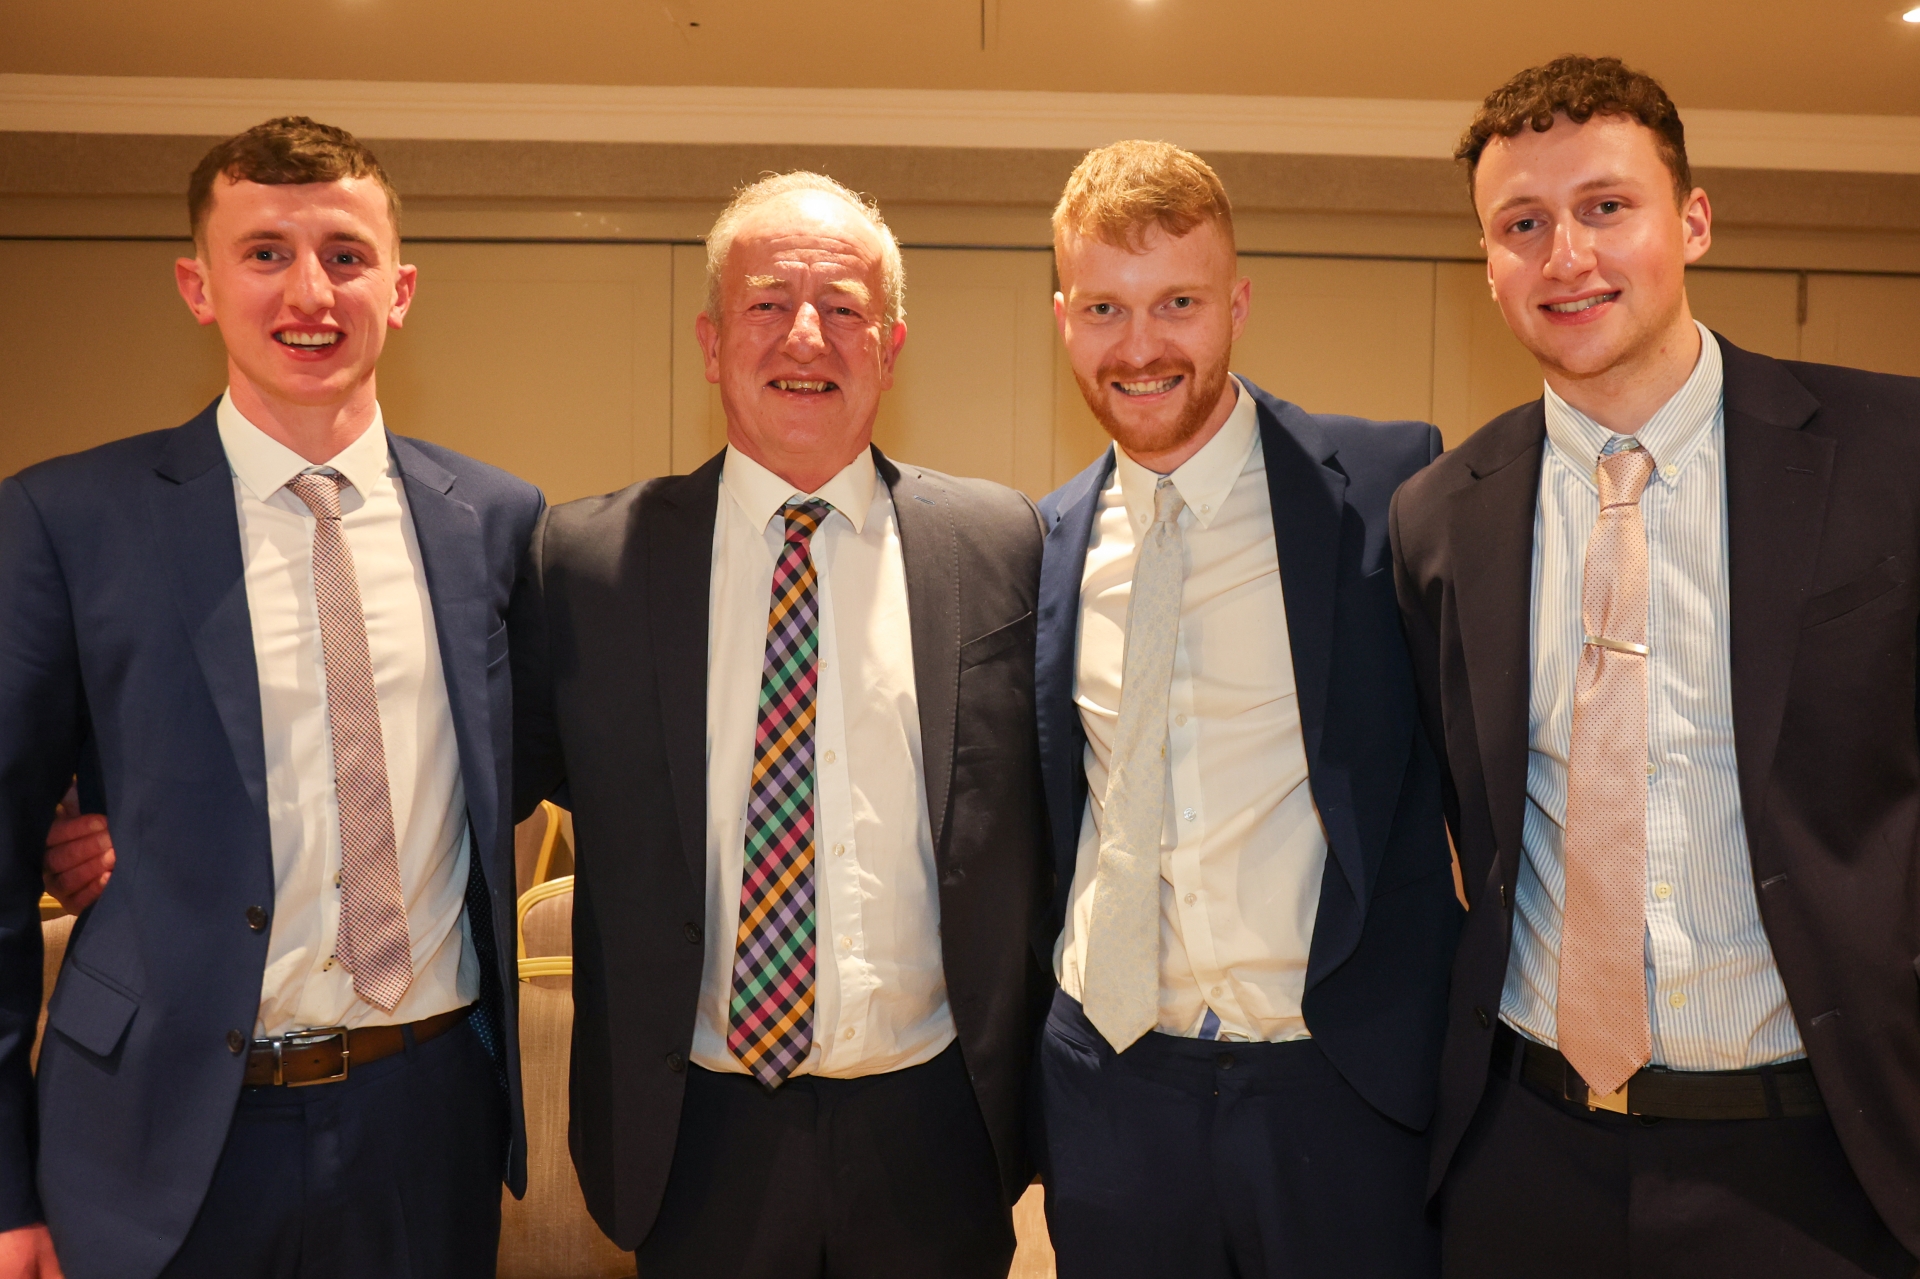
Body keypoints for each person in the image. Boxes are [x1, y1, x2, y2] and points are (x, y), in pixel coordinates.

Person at [1390, 56, 1920, 1278]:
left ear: (1692, 220)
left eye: (1605, 207)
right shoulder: (1437, 520)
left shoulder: (1891, 456)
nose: (1565, 253)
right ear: (1487, 262)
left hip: (1822, 1158)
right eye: (1522, 224)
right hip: (1527, 1157)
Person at [5, 118, 541, 1279]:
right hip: (156, 1132)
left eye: (345, 255)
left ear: (400, 289)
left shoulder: (498, 525)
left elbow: (541, 757)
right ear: (198, 286)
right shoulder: (69, 520)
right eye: (265, 253)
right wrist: (4, 1188)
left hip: (426, 1117)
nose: (311, 290)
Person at [508, 171, 1050, 1277]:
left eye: (844, 306)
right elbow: (479, 784)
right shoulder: (587, 561)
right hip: (695, 1133)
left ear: (890, 346)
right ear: (713, 342)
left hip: (935, 1127)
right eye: (767, 303)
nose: (808, 332)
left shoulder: (1000, 547)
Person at [1031, 140, 1461, 1278]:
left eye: (1180, 302)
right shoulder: (1047, 541)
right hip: (1113, 1083)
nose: (1141, 345)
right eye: (1105, 307)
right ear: (1063, 316)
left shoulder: (1389, 488)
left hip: (1340, 1086)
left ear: (1239, 304)